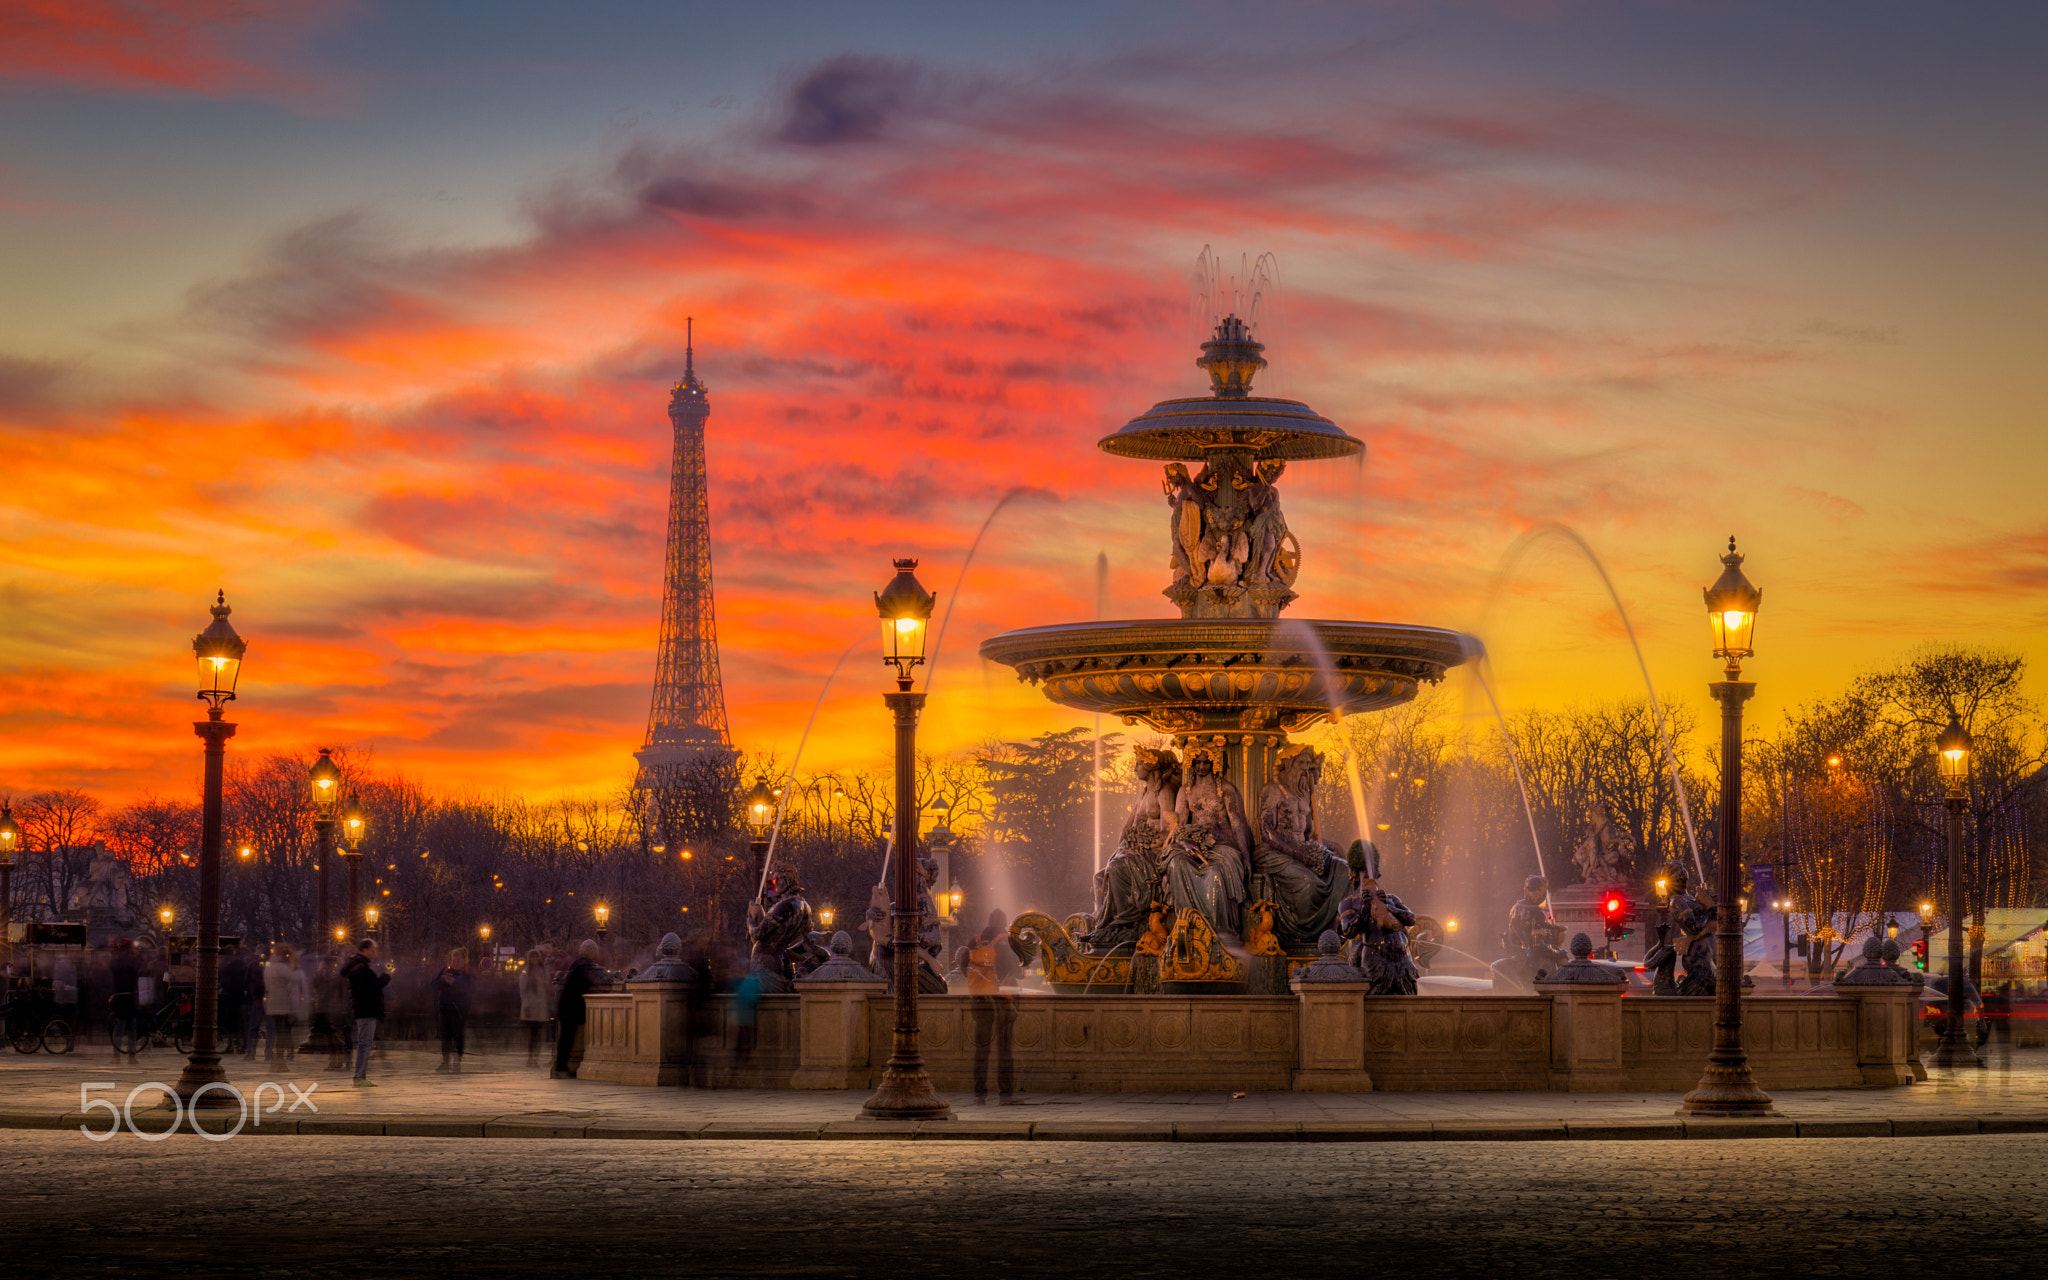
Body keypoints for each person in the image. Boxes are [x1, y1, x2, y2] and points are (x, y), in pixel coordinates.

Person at [1250, 746, 1350, 946]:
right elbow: (1267, 831)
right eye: (1301, 763)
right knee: (1309, 883)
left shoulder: (1304, 793)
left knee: (1344, 869)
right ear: (1288, 764)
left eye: (1307, 764)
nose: (1305, 769)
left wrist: (1327, 847)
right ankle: (1303, 933)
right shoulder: (1273, 790)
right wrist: (1298, 852)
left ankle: (1332, 928)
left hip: (1302, 848)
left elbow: (1309, 833)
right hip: (1275, 851)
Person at [967, 909, 1019, 1104]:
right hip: (1002, 1002)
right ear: (1004, 923)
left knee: (981, 1048)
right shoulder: (1005, 941)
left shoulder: (976, 941)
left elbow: (965, 965)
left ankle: (979, 1094)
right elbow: (1014, 970)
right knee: (1004, 1048)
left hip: (979, 1000)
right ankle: (1006, 1094)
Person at [339, 939, 390, 1087]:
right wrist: (387, 977)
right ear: (365, 949)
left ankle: (360, 1075)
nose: (375, 954)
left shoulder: (355, 966)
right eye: (373, 951)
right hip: (366, 1009)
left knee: (364, 1043)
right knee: (365, 1044)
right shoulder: (360, 968)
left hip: (362, 1008)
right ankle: (360, 1076)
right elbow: (372, 987)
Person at [552, 939, 602, 1079]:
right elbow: (585, 984)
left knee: (566, 1039)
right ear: (592, 953)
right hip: (571, 1008)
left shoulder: (577, 964)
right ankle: (560, 1067)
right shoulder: (583, 966)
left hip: (566, 1006)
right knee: (567, 1039)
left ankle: (560, 1067)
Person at [432, 948, 473, 1072]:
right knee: (445, 1036)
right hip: (444, 1007)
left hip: (459, 1008)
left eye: (457, 960)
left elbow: (471, 987)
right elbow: (432, 984)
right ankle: (445, 1061)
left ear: (463, 960)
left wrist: (454, 982)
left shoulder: (466, 972)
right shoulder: (445, 970)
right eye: (453, 960)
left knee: (458, 1035)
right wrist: (442, 980)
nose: (454, 962)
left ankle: (457, 1061)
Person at [263, 947, 301, 1063]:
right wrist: (294, 965)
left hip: (272, 1002)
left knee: (278, 1029)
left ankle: (277, 1054)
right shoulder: (281, 968)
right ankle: (280, 1056)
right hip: (281, 1002)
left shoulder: (269, 968)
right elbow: (295, 978)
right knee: (283, 1030)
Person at [108, 939, 140, 1063]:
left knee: (118, 1028)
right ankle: (131, 1055)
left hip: (119, 996)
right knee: (131, 1028)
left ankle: (116, 1055)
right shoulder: (133, 962)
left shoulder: (116, 962)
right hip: (130, 997)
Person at [519, 949, 550, 1067]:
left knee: (539, 1034)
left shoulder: (541, 971)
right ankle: (530, 1058)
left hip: (540, 1005)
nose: (535, 960)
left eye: (536, 957)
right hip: (531, 1006)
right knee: (532, 1034)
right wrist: (525, 1004)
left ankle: (535, 1058)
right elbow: (523, 990)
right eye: (532, 958)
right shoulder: (526, 972)